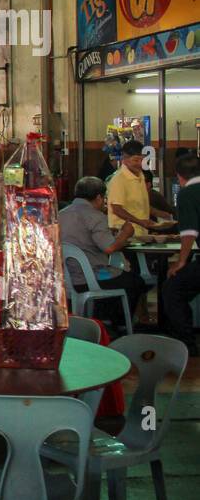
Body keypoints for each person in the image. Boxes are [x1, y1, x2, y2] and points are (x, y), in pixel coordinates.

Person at [58, 176, 143, 335]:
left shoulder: (61, 214)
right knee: (135, 281)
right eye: (104, 198)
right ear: (98, 197)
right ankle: (121, 326)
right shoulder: (96, 216)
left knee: (121, 279)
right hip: (90, 278)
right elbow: (110, 248)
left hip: (67, 279)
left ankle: (104, 320)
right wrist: (125, 234)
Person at [163, 152, 200, 351]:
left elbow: (189, 233)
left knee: (173, 289)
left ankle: (186, 343)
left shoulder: (186, 193)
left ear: (179, 176)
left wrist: (181, 261)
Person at [106, 140, 159, 233]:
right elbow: (116, 209)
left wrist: (161, 214)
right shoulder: (118, 180)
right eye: (135, 160)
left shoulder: (141, 176)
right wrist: (140, 222)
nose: (139, 163)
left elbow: (139, 206)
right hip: (123, 236)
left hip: (140, 234)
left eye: (142, 160)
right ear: (125, 159)